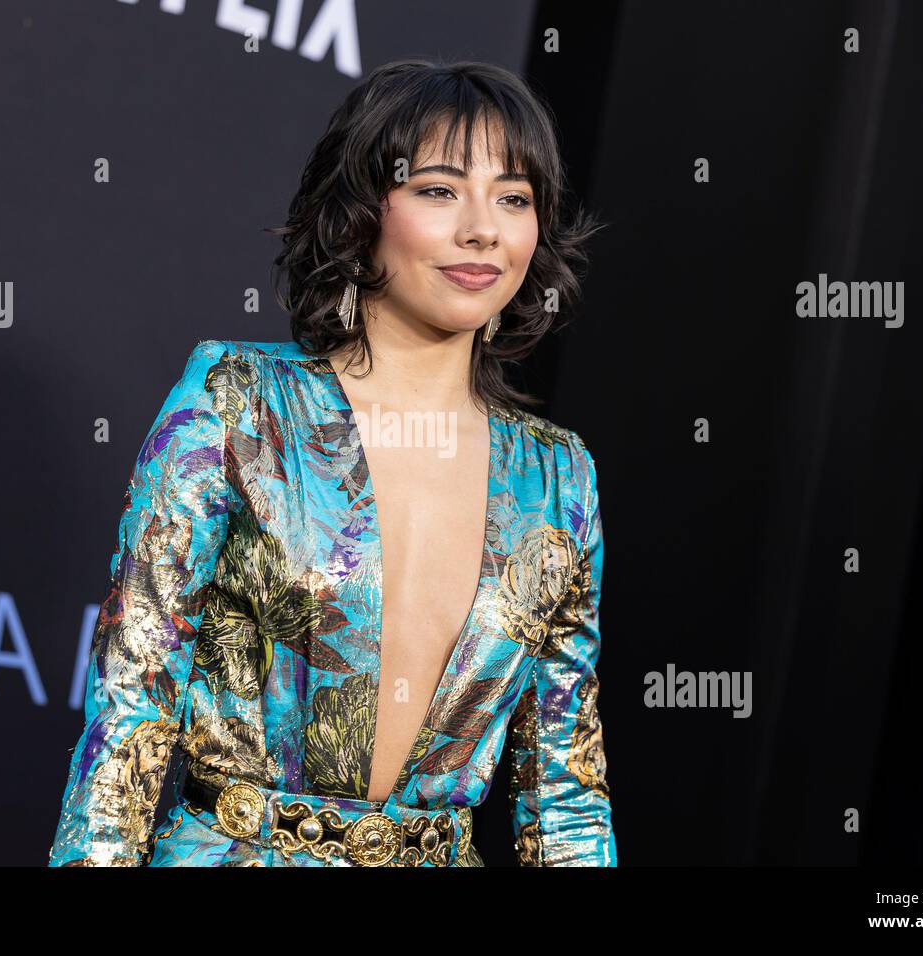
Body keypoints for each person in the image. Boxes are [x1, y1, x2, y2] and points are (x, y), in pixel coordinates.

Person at [47, 59, 616, 867]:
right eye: (439, 190)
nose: (482, 228)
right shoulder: (239, 402)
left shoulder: (560, 479)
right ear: (359, 213)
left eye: (514, 199)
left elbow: (566, 793)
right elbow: (132, 710)